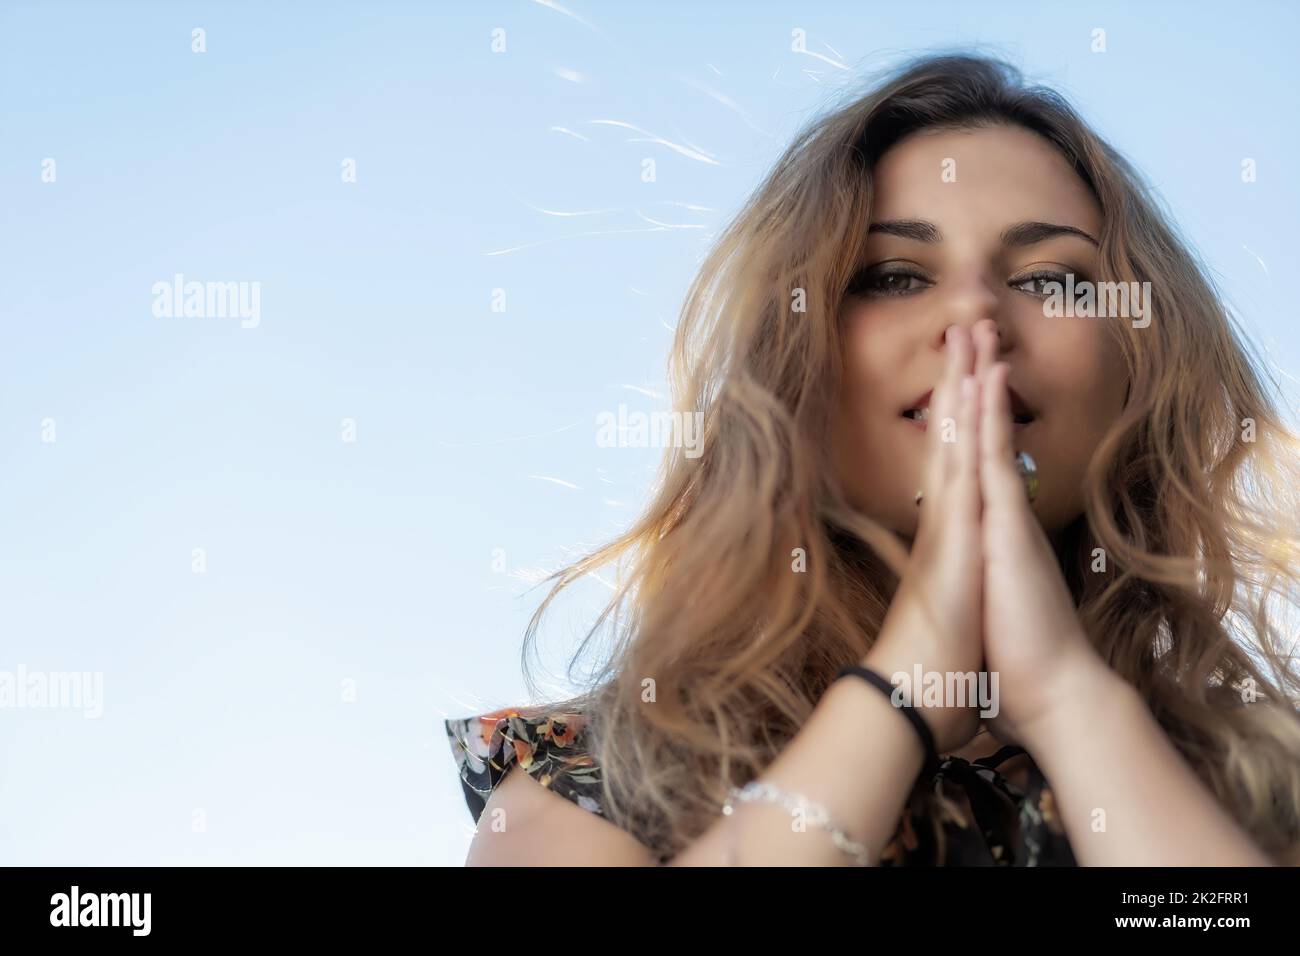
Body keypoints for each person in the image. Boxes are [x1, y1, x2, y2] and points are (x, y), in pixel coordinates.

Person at [445, 53, 1300, 866]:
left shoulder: (1262, 779)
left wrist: (1070, 702)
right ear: (794, 362)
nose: (975, 313)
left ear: (1142, 366)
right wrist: (905, 686)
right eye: (893, 275)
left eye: (1052, 281)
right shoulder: (597, 786)